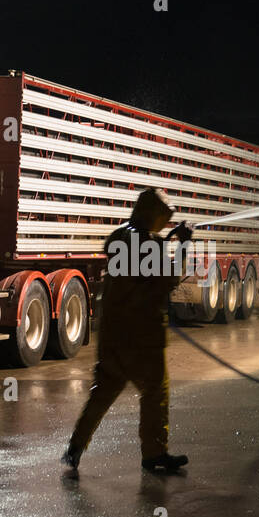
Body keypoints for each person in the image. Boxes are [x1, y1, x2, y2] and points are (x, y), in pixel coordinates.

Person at [63, 187, 192, 475]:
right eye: (164, 216)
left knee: (103, 392)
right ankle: (154, 453)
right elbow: (167, 281)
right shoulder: (151, 243)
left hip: (112, 334)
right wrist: (182, 246)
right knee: (155, 392)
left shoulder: (120, 236)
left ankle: (75, 448)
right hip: (143, 336)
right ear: (153, 214)